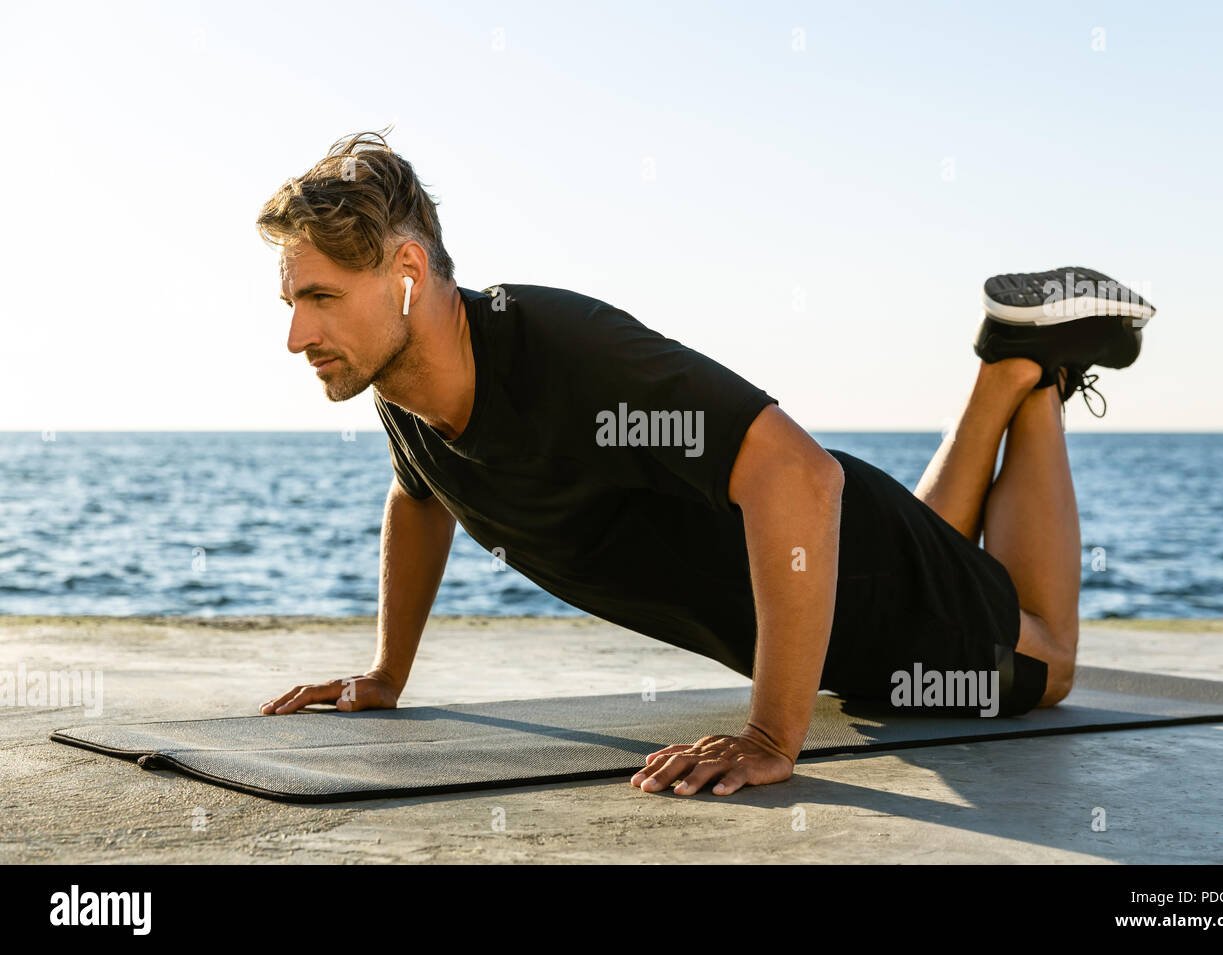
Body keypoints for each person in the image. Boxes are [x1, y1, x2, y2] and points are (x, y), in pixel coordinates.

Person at [254, 129, 1156, 797]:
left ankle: (1026, 372)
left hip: (862, 589)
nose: (298, 333)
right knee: (939, 546)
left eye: (321, 297)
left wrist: (773, 733)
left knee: (1050, 659)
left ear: (407, 269)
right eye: (294, 300)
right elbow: (420, 499)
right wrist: (386, 673)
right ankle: (1009, 371)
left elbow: (799, 478)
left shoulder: (563, 350)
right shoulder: (405, 391)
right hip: (847, 560)